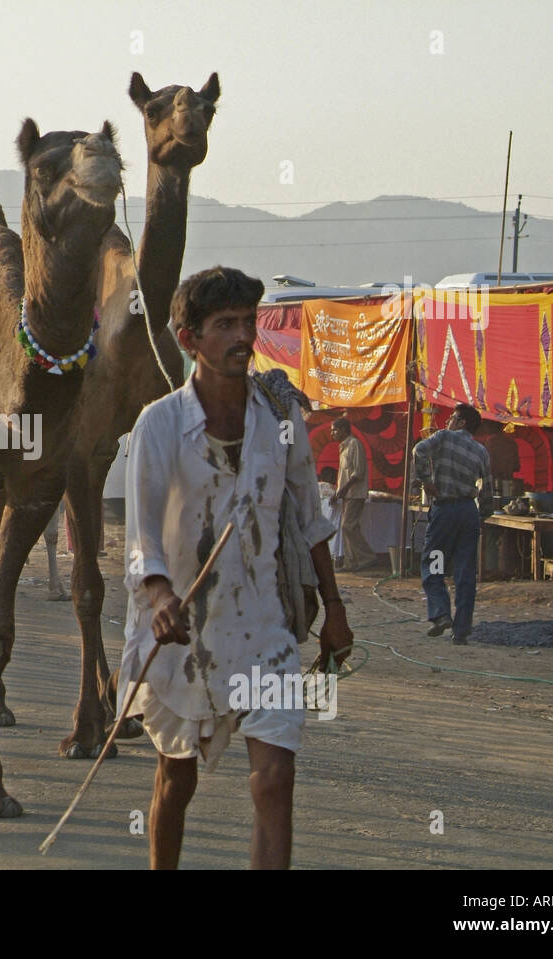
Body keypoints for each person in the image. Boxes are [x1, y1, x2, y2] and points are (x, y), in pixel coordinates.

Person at [117, 266, 352, 870]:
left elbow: (310, 516)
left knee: (274, 780)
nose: (242, 337)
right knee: (177, 781)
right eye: (225, 325)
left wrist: (335, 609)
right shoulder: (159, 425)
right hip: (180, 634)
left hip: (263, 626)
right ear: (189, 337)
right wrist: (162, 595)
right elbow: (142, 535)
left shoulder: (278, 417)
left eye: (248, 322)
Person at [411, 403, 494, 645]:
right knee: (465, 572)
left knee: (434, 562)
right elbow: (487, 490)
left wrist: (425, 480)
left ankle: (441, 613)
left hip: (445, 510)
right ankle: (462, 630)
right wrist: (482, 515)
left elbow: (419, 451)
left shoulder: (444, 437)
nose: (447, 421)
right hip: (469, 511)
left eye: (452, 417)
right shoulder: (481, 451)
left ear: (461, 422)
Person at [328, 416, 375, 571]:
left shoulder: (354, 444)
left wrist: (341, 490)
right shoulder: (344, 447)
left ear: (343, 429)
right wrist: (339, 492)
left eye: (334, 429)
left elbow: (358, 472)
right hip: (347, 494)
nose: (332, 433)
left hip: (355, 493)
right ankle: (351, 562)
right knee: (347, 527)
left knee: (349, 526)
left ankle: (366, 557)